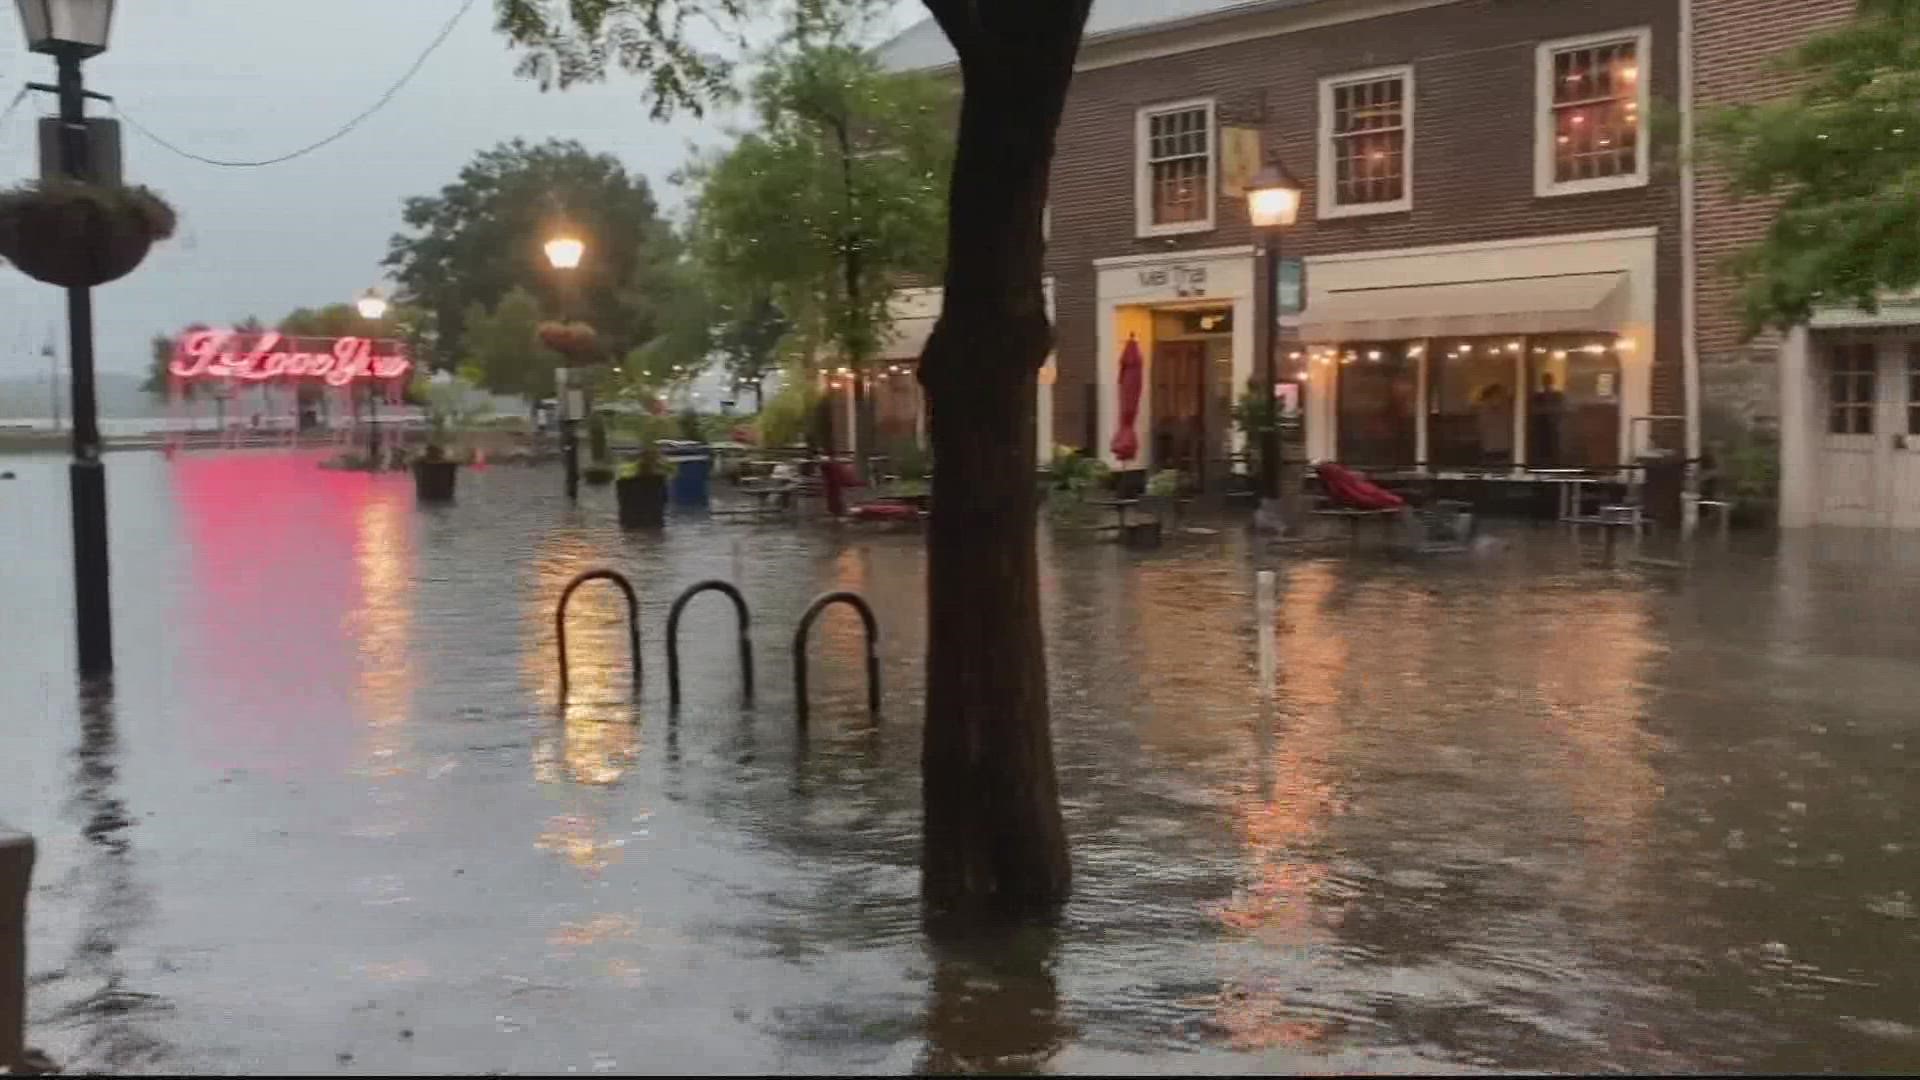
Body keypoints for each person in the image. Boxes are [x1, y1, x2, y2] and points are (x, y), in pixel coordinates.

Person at [1529, 372, 1566, 467]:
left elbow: (1561, 409)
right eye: (1545, 381)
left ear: (1552, 382)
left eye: (1549, 381)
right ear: (1543, 382)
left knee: (1554, 451)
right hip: (1541, 429)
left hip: (1554, 427)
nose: (1547, 383)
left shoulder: (1558, 395)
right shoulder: (1538, 396)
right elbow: (1534, 410)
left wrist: (1546, 409)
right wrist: (1548, 409)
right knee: (1542, 451)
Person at [1474, 382, 1513, 465]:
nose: (1501, 398)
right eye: (1499, 395)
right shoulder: (1483, 411)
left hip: (1504, 450)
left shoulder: (1507, 410)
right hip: (1490, 451)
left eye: (1502, 396)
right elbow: (1481, 429)